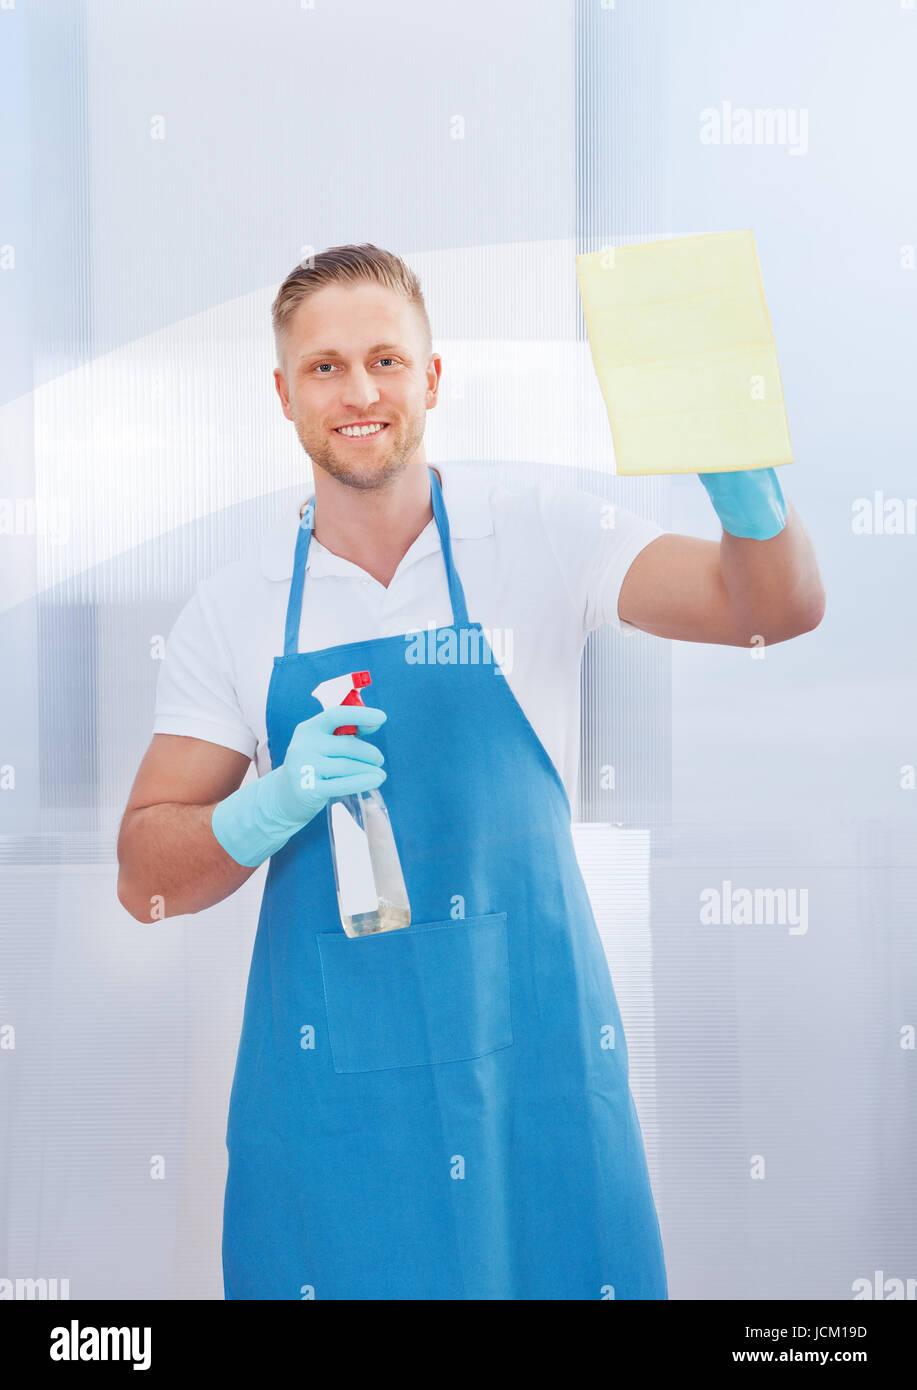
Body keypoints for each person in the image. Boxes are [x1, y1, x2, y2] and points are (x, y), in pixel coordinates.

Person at [117, 243, 825, 1300]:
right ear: (282, 394)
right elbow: (144, 879)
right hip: (329, 1101)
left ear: (432, 378)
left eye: (384, 361)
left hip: (529, 1065)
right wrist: (262, 808)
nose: (358, 392)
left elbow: (767, 610)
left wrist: (746, 496)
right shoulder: (235, 607)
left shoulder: (536, 535)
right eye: (323, 368)